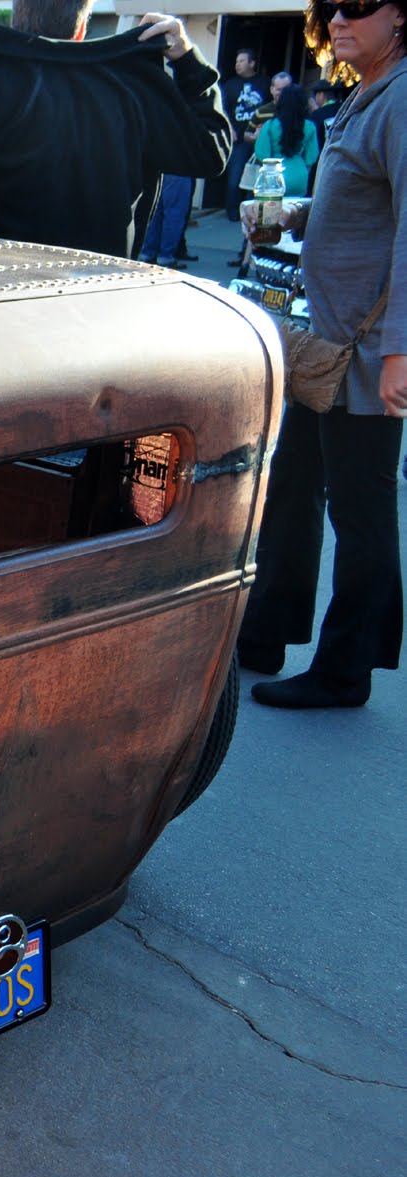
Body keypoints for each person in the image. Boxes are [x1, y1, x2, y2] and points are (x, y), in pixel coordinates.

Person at [236, 0, 407, 709]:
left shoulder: (401, 96)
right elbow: (366, 207)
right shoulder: (369, 89)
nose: (339, 18)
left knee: (360, 510)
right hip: (326, 342)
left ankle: (345, 669)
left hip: (365, 350)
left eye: (359, 4)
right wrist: (299, 213)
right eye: (329, 6)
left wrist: (400, 349)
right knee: (292, 480)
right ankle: (263, 632)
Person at [0, 5, 229, 258]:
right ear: (82, 27)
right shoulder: (131, 90)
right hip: (92, 303)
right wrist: (187, 60)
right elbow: (210, 152)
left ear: (17, 15)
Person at [221, 48, 266, 221]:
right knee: (235, 178)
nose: (237, 65)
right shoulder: (230, 85)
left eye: (241, 61)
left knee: (257, 179)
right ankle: (232, 213)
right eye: (236, 61)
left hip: (259, 141)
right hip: (238, 140)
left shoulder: (264, 83)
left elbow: (271, 108)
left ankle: (253, 214)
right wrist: (230, 130)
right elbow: (222, 109)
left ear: (252, 63)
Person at [251, 83, 318, 196]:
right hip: (299, 176)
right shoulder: (310, 126)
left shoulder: (270, 125)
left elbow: (262, 154)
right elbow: (311, 158)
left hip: (274, 177)